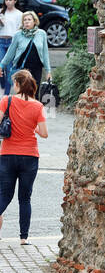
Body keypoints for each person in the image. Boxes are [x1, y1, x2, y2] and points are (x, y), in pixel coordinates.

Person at [0, 69, 48, 245]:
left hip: (7, 154)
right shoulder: (38, 106)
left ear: (18, 85)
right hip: (29, 155)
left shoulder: (7, 101)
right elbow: (44, 133)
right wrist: (31, 127)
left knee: (4, 195)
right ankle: (23, 238)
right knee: (25, 198)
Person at [1, 11, 50, 89]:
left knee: (35, 93)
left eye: (29, 20)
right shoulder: (18, 35)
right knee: (23, 93)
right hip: (22, 68)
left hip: (37, 68)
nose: (27, 22)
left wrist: (48, 71)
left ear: (35, 21)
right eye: (25, 20)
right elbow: (10, 52)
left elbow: (45, 54)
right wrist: (2, 65)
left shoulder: (42, 34)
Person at [0, 0, 21, 93]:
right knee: (1, 65)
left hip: (12, 42)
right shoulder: (1, 12)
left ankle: (6, 93)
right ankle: (3, 82)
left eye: (10, 0)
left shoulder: (19, 14)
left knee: (8, 67)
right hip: (1, 41)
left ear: (15, 1)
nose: (8, 2)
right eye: (6, 0)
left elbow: (19, 30)